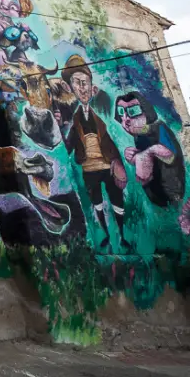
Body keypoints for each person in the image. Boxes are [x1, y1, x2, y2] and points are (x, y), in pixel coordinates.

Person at [58, 55, 129, 251]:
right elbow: (68, 146)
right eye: (77, 83)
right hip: (89, 169)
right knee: (97, 202)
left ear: (92, 86)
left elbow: (114, 137)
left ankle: (122, 235)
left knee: (117, 201)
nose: (82, 88)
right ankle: (105, 235)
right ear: (69, 88)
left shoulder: (103, 110)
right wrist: (59, 127)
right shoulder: (73, 119)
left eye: (85, 82)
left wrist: (118, 161)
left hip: (108, 165)